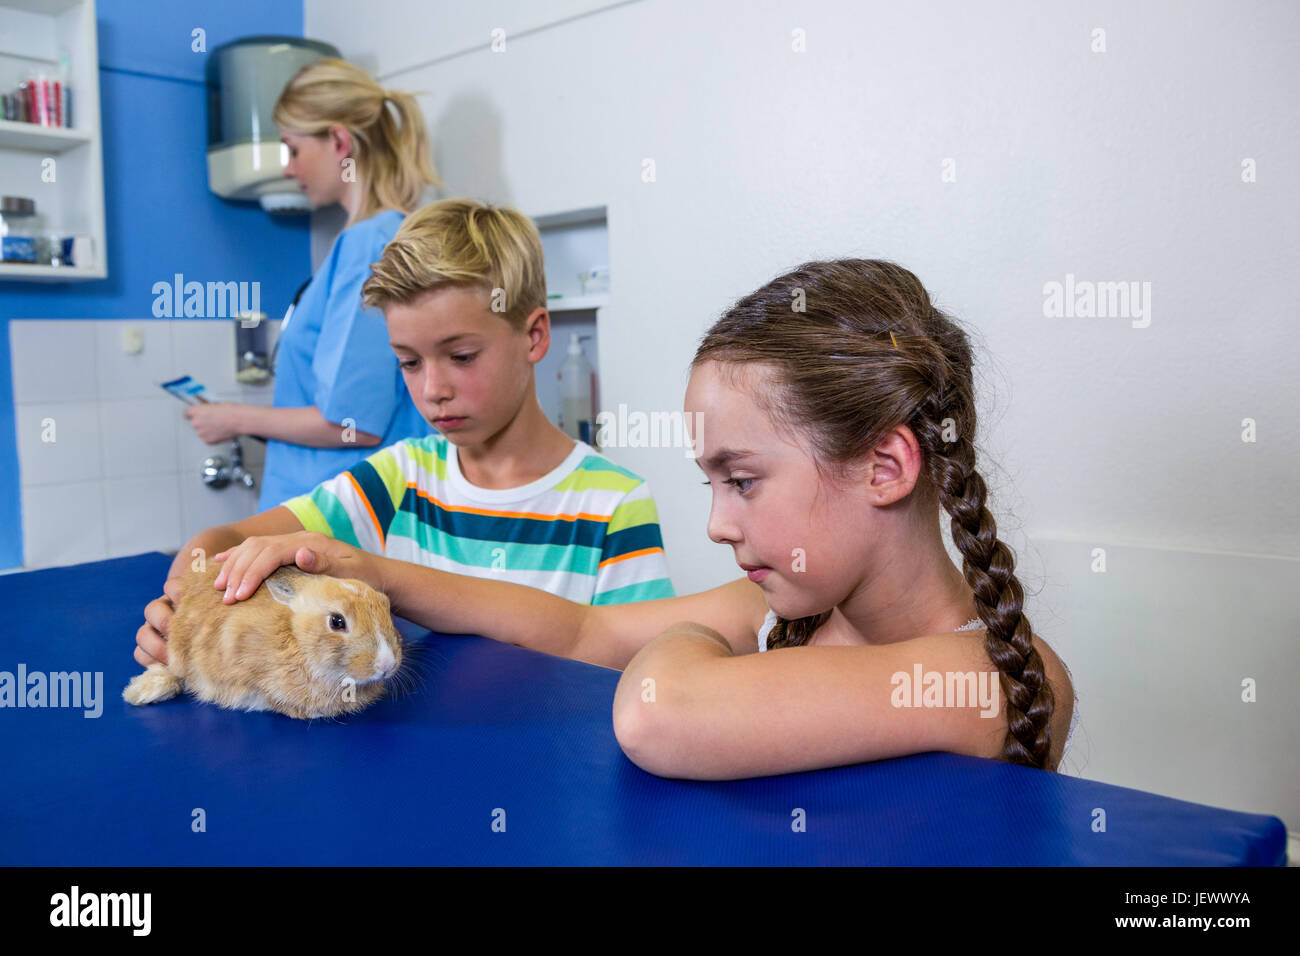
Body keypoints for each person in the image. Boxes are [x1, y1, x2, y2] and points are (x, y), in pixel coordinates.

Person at [146, 259, 1076, 781]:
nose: (715, 523)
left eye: (741, 481)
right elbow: (582, 627)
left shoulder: (991, 675)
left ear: (884, 467)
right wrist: (371, 571)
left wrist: (682, 634)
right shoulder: (795, 618)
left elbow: (657, 710)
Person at [133, 198, 677, 673]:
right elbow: (220, 541)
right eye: (409, 362)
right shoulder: (398, 478)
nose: (433, 388)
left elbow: (640, 665)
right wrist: (185, 598)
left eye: (461, 356)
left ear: (534, 336)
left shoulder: (613, 503)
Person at [181, 58, 439, 510]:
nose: (287, 169)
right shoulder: (367, 241)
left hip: (339, 524)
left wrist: (233, 418)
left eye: (292, 149)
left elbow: (352, 424)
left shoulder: (370, 246)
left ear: (339, 140)